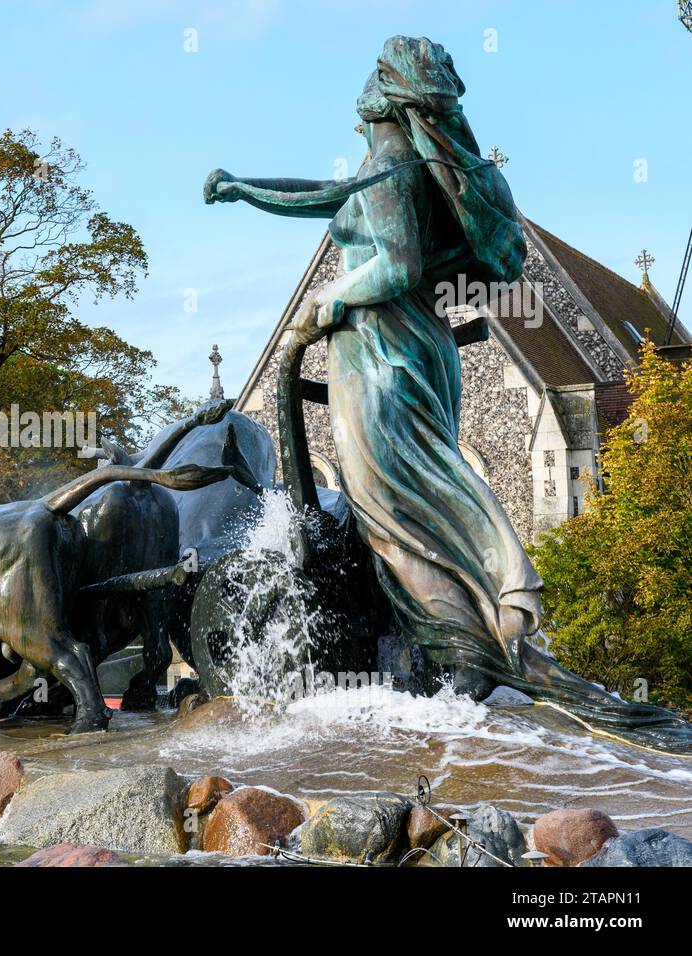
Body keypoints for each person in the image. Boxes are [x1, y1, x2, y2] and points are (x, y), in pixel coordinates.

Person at [204, 35, 692, 753]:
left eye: (372, 78)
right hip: (408, 350)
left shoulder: (394, 166)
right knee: (400, 504)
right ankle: (468, 647)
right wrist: (246, 188)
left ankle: (481, 628)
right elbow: (327, 198)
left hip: (381, 355)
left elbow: (395, 264)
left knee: (402, 499)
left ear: (386, 96)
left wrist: (326, 306)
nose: (359, 90)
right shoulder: (391, 166)